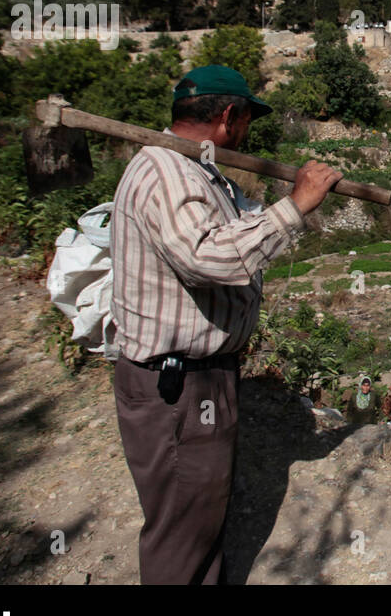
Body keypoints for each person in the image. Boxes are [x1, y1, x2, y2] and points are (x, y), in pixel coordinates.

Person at [107, 64, 342, 584]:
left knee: (200, 516)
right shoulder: (165, 172)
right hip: (178, 388)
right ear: (229, 116)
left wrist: (287, 201)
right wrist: (298, 204)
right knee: (182, 531)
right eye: (246, 121)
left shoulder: (196, 172)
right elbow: (208, 258)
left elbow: (234, 226)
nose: (246, 133)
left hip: (200, 380)